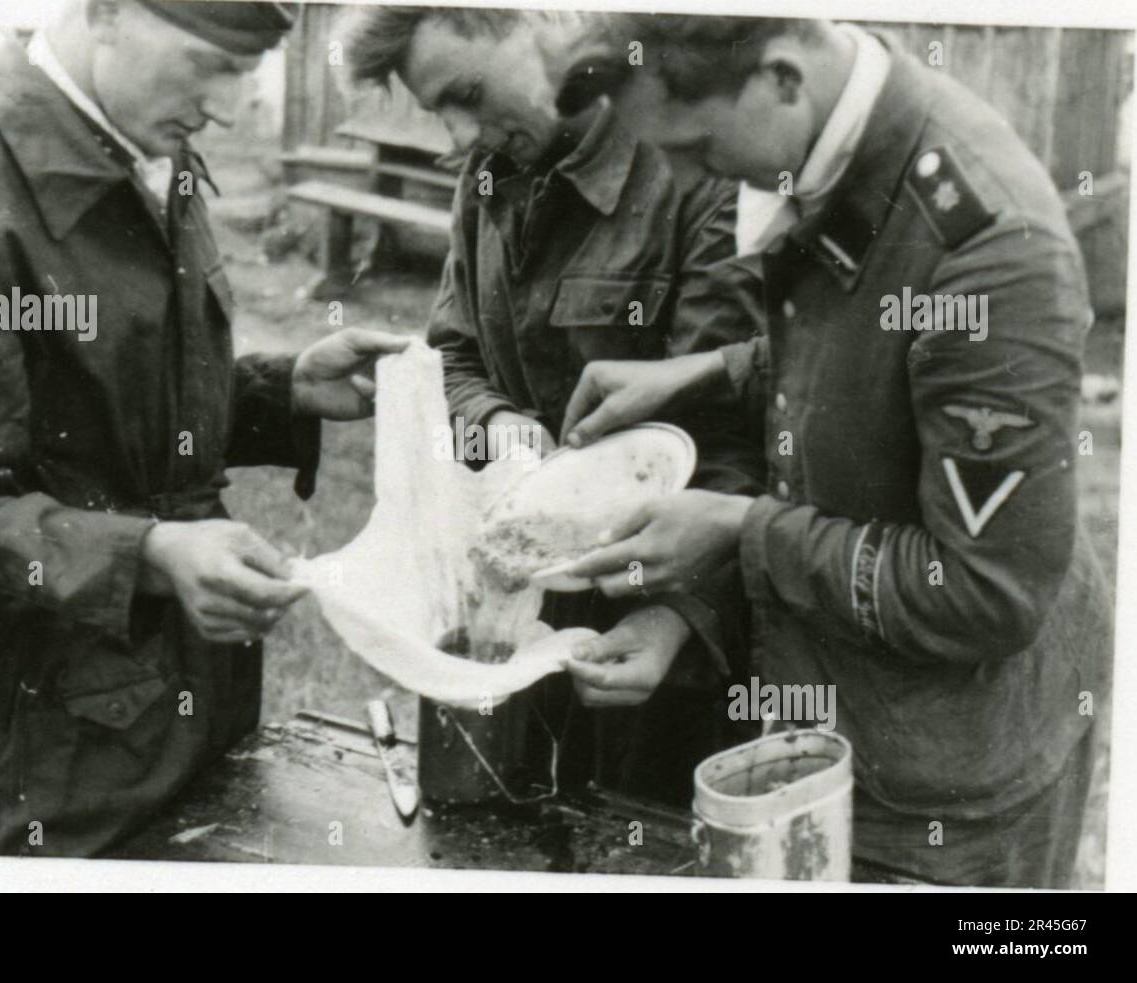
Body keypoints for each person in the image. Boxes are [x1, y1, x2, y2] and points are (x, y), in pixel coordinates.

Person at [554, 14, 1112, 886]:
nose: (687, 179)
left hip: (948, 778)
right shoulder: (837, 140)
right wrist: (710, 372)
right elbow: (882, 352)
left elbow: (983, 593)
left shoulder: (989, 245)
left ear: (783, 77)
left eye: (696, 146)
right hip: (839, 710)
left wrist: (744, 529)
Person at [0, 0, 407, 857]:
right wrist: (150, 552)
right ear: (106, 11)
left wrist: (283, 389)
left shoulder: (150, 151)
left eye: (245, 71)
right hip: (46, 754)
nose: (226, 106)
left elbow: (115, 411)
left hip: (189, 709)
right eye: (208, 64)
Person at [344, 6, 764, 806]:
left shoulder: (696, 180)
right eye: (441, 111)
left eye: (468, 91)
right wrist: (500, 429)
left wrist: (679, 617)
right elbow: (454, 353)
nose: (462, 135)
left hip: (668, 636)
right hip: (521, 617)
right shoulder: (491, 173)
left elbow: (732, 437)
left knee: (643, 839)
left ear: (546, 20)